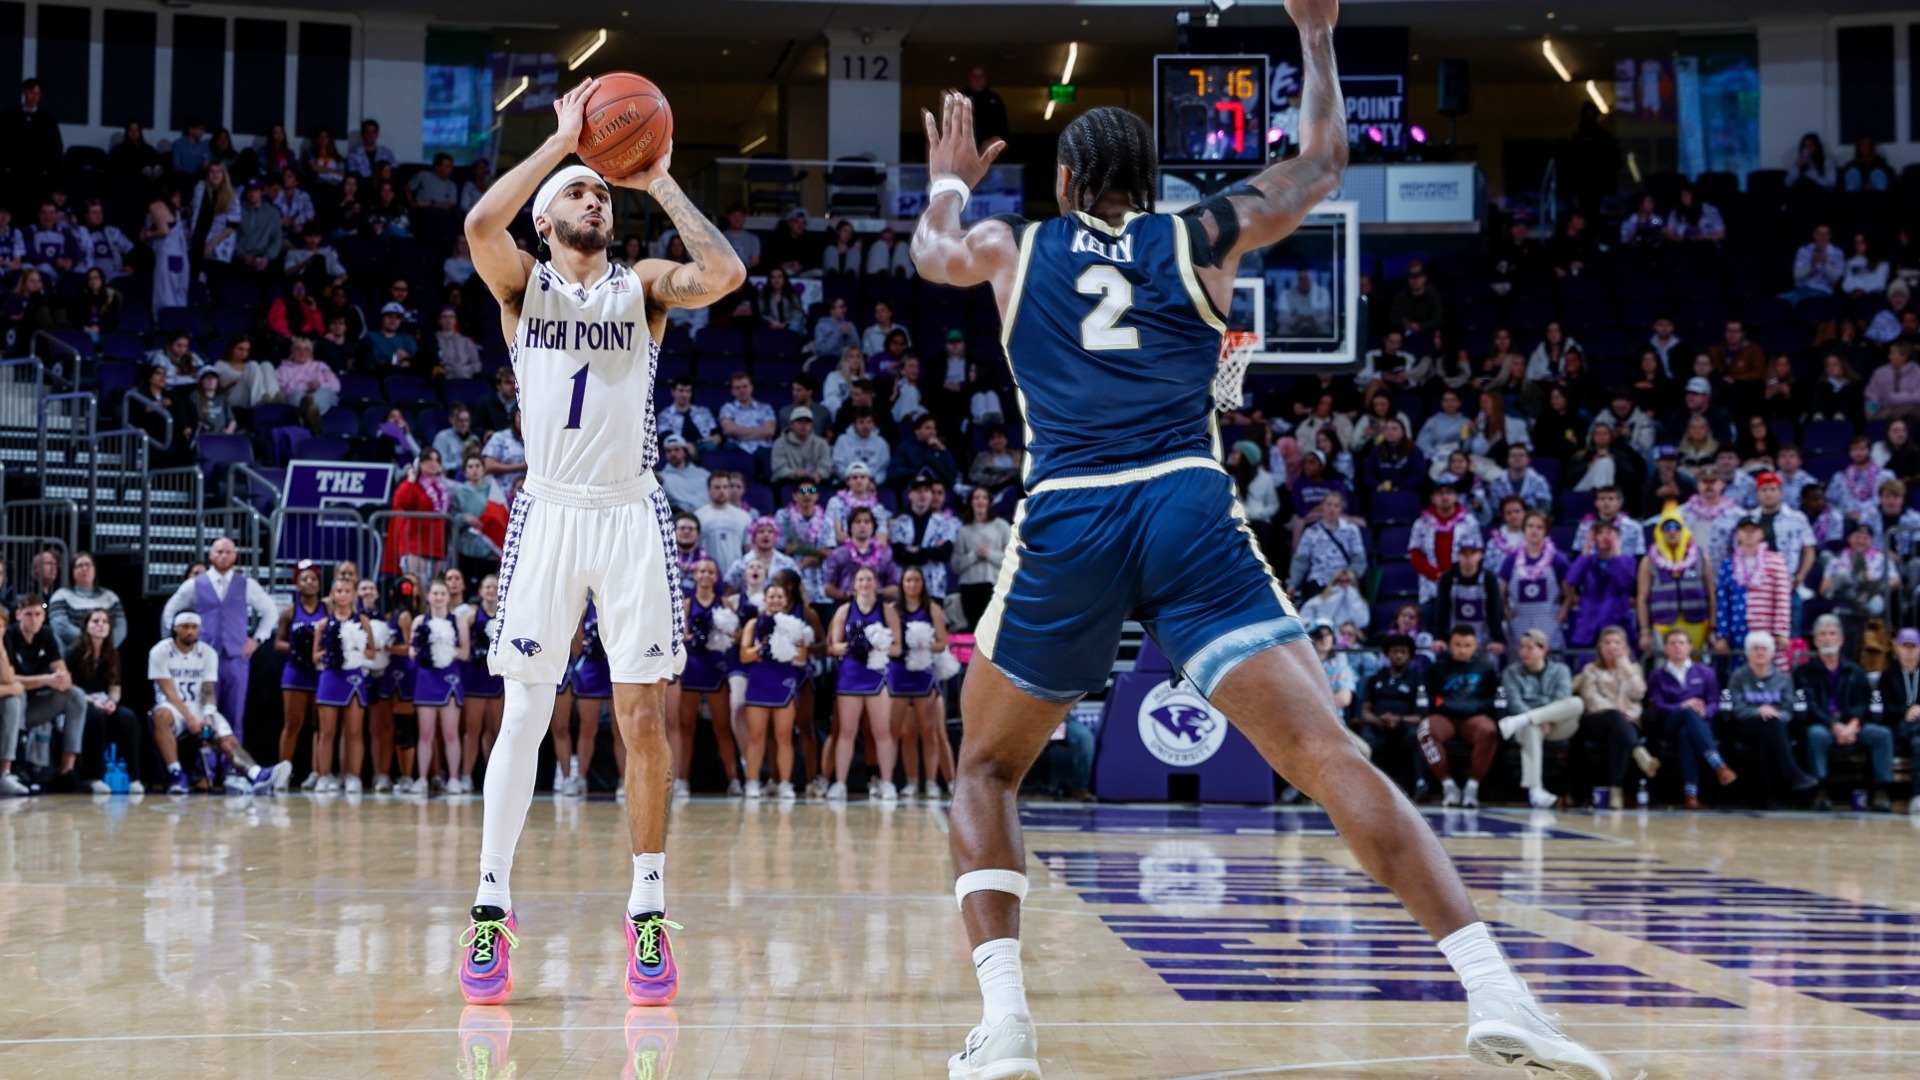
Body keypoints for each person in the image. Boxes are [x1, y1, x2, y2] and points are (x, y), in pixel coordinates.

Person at [909, 26, 1607, 1076]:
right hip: (1188, 504)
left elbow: (930, 254)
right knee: (1329, 756)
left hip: (1071, 511)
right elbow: (1324, 162)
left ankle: (1006, 1028)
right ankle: (1497, 991)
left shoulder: (1016, 246)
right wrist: (1318, 34)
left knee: (987, 768)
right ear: (1155, 183)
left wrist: (950, 186)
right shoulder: (1201, 233)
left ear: (1061, 180)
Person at [457, 77, 745, 1008]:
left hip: (629, 512)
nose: (596, 198)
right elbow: (476, 225)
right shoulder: (521, 284)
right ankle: (491, 910)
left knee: (641, 719)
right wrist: (563, 142)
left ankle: (648, 912)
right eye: (582, 192)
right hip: (547, 511)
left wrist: (656, 181)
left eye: (601, 192)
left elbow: (727, 274)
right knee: (526, 715)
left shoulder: (645, 287)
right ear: (548, 219)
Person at [149, 611, 288, 796]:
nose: (190, 631)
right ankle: (176, 775)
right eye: (185, 627)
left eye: (194, 627)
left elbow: (208, 690)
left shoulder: (208, 653)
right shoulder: (160, 651)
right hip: (172, 706)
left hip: (198, 707)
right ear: (175, 628)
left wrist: (207, 716)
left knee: (226, 738)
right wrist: (190, 719)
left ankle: (257, 775)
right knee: (160, 716)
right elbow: (169, 692)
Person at [159, 537, 278, 742]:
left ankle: (234, 767)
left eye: (227, 552)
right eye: (219, 551)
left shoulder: (246, 584)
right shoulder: (194, 584)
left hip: (235, 658)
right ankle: (205, 767)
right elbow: (170, 611)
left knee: (235, 715)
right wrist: (179, 642)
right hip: (203, 658)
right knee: (205, 713)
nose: (223, 556)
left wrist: (257, 639)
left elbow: (270, 610)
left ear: (235, 555)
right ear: (210, 554)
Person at [1795, 614, 1894, 812]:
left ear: (1841, 640)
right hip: (1823, 725)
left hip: (1852, 725)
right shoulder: (1804, 672)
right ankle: (1820, 790)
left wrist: (1852, 726)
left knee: (1882, 734)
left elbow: (1863, 703)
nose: (1827, 638)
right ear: (1815, 641)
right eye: (1822, 634)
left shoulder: (1856, 670)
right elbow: (1811, 705)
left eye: (1832, 634)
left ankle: (1881, 792)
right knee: (1815, 735)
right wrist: (1834, 725)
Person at [826, 565, 899, 800]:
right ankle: (840, 783)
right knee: (847, 731)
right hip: (850, 676)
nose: (865, 583)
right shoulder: (844, 611)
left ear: (876, 583)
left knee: (882, 731)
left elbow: (897, 648)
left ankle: (887, 782)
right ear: (854, 585)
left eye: (869, 579)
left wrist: (877, 645)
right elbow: (832, 646)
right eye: (861, 579)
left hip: (877, 676)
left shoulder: (887, 611)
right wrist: (853, 646)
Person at [671, 559, 741, 797]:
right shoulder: (687, 604)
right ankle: (681, 781)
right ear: (696, 575)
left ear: (716, 576)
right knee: (685, 727)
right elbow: (680, 636)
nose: (706, 575)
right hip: (692, 667)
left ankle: (734, 781)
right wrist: (693, 637)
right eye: (702, 571)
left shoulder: (725, 603)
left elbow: (738, 635)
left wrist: (725, 634)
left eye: (711, 571)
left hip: (716, 668)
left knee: (722, 728)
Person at [1728, 630, 1818, 808]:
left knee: (1769, 730)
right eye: (1755, 649)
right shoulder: (1737, 677)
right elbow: (1736, 709)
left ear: (1771, 653)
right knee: (1769, 726)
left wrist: (1774, 714)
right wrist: (1759, 711)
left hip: (1776, 726)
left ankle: (1770, 798)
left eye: (1764, 649)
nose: (1759, 652)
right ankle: (1793, 775)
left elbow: (1788, 710)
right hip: (1747, 725)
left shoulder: (1784, 679)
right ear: (1747, 653)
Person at [738, 578, 810, 798]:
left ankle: (785, 783)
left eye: (780, 596)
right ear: (765, 599)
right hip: (759, 682)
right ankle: (752, 782)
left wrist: (789, 645)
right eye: (772, 596)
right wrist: (763, 647)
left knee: (784, 736)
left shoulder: (794, 624)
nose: (776, 600)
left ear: (786, 600)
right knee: (756, 736)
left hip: (784, 681)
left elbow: (802, 657)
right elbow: (744, 655)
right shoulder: (754, 624)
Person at [1495, 629, 1582, 809]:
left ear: (1543, 650)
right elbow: (1514, 702)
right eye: (1522, 647)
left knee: (1577, 703)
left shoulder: (1561, 670)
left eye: (1530, 647)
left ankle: (1526, 719)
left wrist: (1537, 717)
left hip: (1556, 725)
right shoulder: (1511, 672)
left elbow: (1562, 698)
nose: (1523, 652)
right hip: (1527, 728)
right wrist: (1538, 721)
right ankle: (1535, 790)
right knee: (1530, 728)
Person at [1417, 625, 1501, 808]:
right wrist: (1439, 704)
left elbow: (1493, 700)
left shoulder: (1485, 670)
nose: (1462, 649)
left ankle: (1472, 787)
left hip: (1473, 717)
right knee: (1425, 730)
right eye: (1458, 644)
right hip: (1445, 716)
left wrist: (1474, 706)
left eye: (1467, 645)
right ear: (1449, 645)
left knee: (1489, 731)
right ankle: (1448, 785)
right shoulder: (1436, 669)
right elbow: (1426, 696)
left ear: (1475, 646)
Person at [1572, 627, 1655, 808]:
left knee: (1619, 734)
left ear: (1625, 647)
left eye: (1617, 643)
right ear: (1599, 647)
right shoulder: (1591, 669)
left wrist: (1624, 664)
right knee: (1615, 719)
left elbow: (1639, 693)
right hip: (1597, 721)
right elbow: (1592, 700)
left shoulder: (1633, 668)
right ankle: (1638, 750)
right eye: (1607, 643)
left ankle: (1616, 792)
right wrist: (1617, 711)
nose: (1612, 647)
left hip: (1627, 721)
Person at [67, 609, 142, 793]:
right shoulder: (74, 651)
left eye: (105, 621)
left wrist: (112, 703)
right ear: (86, 626)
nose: (100, 625)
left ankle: (135, 778)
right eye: (95, 621)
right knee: (95, 717)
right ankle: (93, 777)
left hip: (103, 700)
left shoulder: (113, 654)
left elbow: (115, 689)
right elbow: (69, 688)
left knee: (128, 717)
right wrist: (93, 702)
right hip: (79, 701)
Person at [273, 563, 326, 789]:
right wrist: (298, 648)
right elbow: (278, 643)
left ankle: (317, 772)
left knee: (321, 725)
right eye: (305, 579)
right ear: (297, 583)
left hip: (321, 672)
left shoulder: (328, 608)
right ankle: (283, 772)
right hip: (295, 672)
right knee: (293, 723)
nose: (310, 583)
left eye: (313, 579)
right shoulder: (290, 611)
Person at [1358, 634, 1425, 794]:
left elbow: (1421, 716)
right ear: (1388, 654)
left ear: (1410, 655)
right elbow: (1365, 712)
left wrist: (1399, 719)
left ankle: (1420, 783)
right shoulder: (1375, 679)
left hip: (1405, 725)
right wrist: (1378, 720)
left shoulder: (1417, 680)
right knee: (1366, 740)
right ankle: (1363, 786)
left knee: (1416, 736)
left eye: (1403, 652)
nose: (1399, 655)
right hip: (1378, 724)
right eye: (1395, 651)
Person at [1715, 519, 1790, 659]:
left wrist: (1782, 631)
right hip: (1737, 630)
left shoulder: (1776, 561)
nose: (1749, 534)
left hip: (1767, 630)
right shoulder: (1728, 564)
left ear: (1761, 534)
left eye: (1753, 530)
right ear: (1738, 534)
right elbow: (1722, 602)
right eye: (1745, 530)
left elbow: (1782, 599)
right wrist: (1722, 635)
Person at [1501, 510, 1569, 653]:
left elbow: (1569, 595)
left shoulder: (1558, 559)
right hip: (1519, 624)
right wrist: (1509, 617)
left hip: (1548, 623)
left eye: (1539, 527)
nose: (1534, 531)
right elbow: (1502, 594)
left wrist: (1558, 618)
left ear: (1546, 531)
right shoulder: (1511, 559)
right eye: (1530, 526)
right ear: (1524, 529)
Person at [1565, 522, 1639, 648]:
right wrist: (1587, 547)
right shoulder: (1587, 560)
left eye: (1609, 533)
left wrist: (1616, 552)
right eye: (1600, 533)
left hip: (1616, 621)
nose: (1605, 536)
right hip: (1589, 623)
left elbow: (1624, 582)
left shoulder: (1628, 561)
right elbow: (1571, 579)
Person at [1410, 480, 1480, 606]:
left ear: (1456, 496)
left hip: (1463, 587)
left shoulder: (1469, 522)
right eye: (1440, 493)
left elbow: (1477, 552)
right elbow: (1416, 555)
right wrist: (1436, 575)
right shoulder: (1421, 523)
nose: (1444, 497)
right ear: (1432, 498)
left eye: (1449, 492)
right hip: (1430, 589)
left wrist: (1459, 575)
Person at [46, 552, 126, 654]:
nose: (84, 568)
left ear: (95, 569)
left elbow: (120, 628)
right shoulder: (60, 595)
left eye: (88, 565)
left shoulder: (111, 597)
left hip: (105, 655)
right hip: (71, 654)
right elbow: (61, 627)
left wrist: (103, 646)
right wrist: (91, 643)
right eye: (79, 565)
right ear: (72, 572)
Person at [954, 488, 1009, 630]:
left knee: (993, 630)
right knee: (974, 629)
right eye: (976, 497)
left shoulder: (1001, 526)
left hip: (994, 585)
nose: (980, 501)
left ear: (989, 502)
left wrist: (989, 554)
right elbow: (956, 565)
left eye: (984, 497)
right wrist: (974, 555)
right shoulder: (964, 530)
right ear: (971, 502)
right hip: (969, 586)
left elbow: (1012, 559)